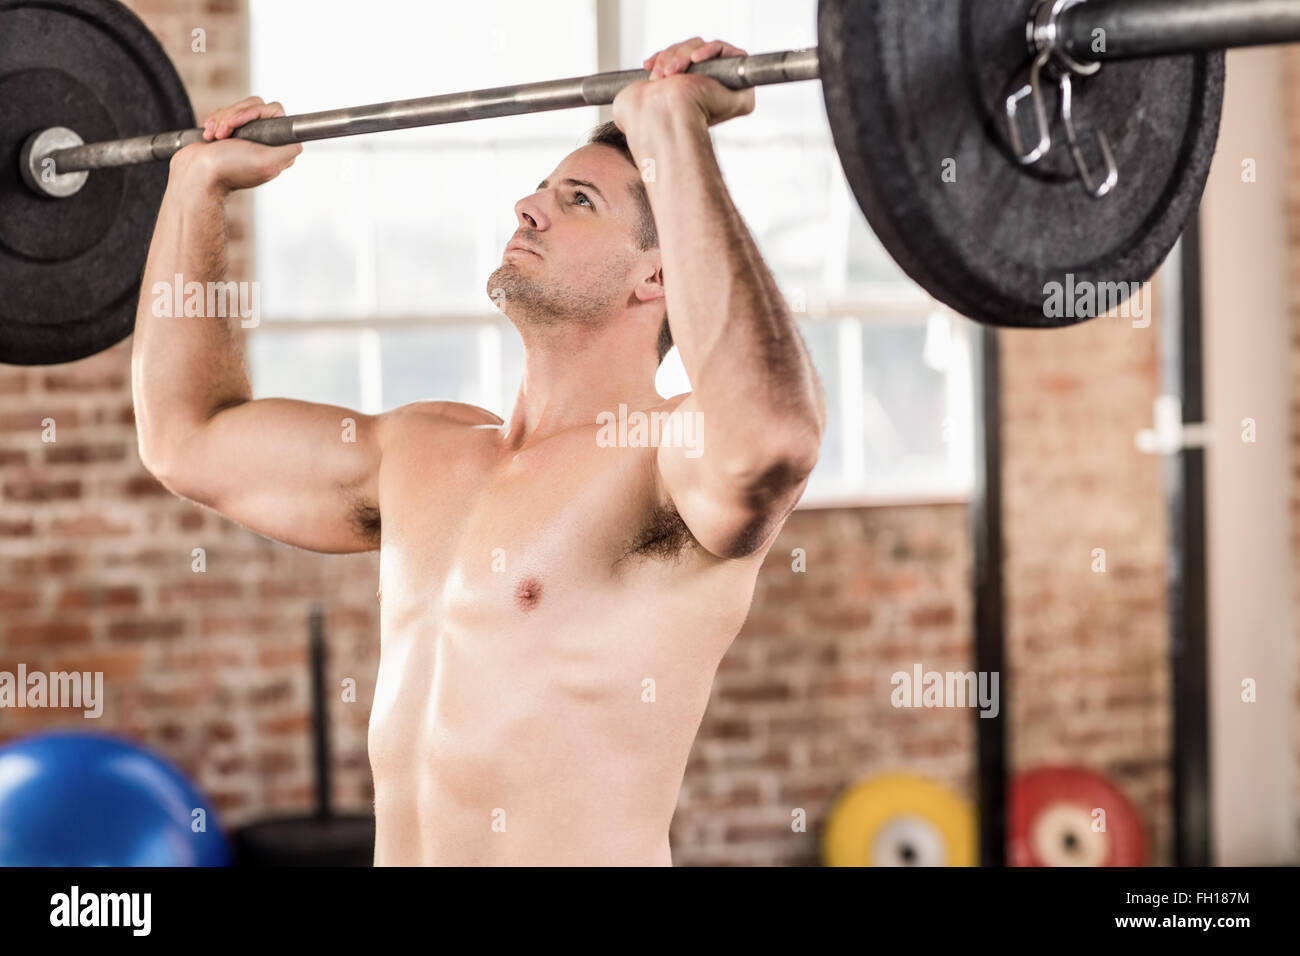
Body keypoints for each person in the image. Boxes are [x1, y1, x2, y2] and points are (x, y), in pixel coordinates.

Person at [132, 36, 825, 865]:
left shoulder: (662, 463)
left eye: (577, 202)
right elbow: (187, 436)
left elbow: (775, 432)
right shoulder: (422, 452)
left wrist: (674, 133)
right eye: (539, 192)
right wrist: (195, 188)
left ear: (657, 278)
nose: (528, 210)